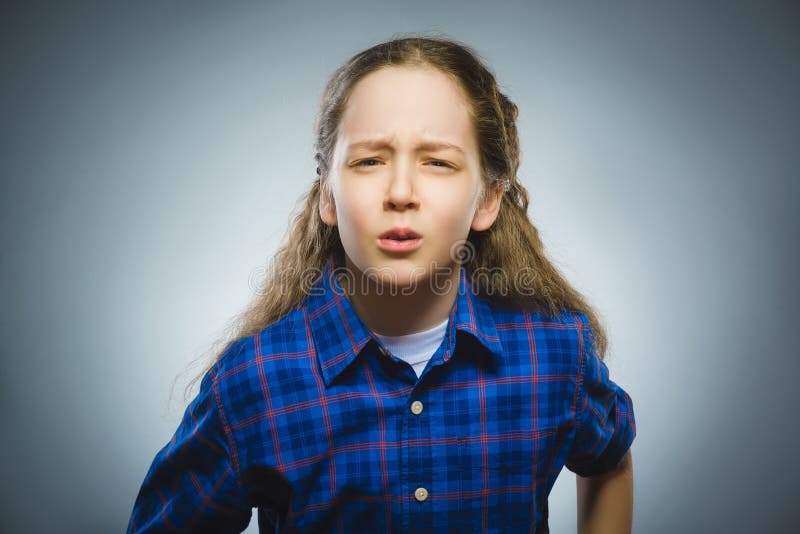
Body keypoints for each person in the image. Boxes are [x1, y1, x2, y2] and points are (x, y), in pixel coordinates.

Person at [126, 35, 636, 533]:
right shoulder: (253, 383)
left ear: (488, 200)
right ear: (328, 195)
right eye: (369, 161)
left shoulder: (555, 354)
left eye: (438, 162)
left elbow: (608, 460)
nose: (400, 192)